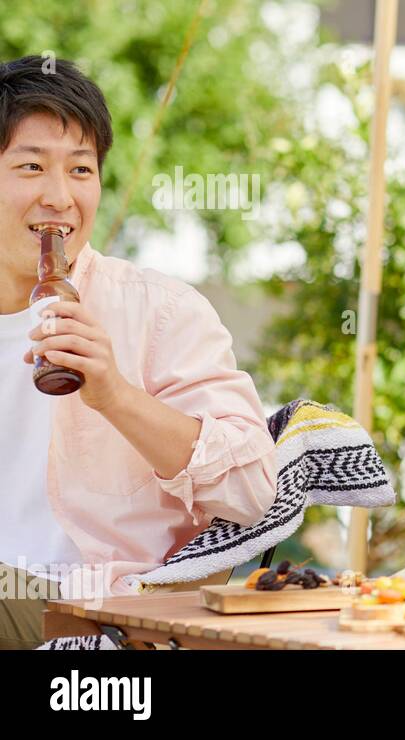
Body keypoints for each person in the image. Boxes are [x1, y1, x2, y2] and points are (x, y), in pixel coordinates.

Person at [0, 56, 275, 650]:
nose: (60, 197)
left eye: (81, 170)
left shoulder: (159, 311)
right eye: (31, 167)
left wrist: (117, 396)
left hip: (102, 611)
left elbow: (256, 491)